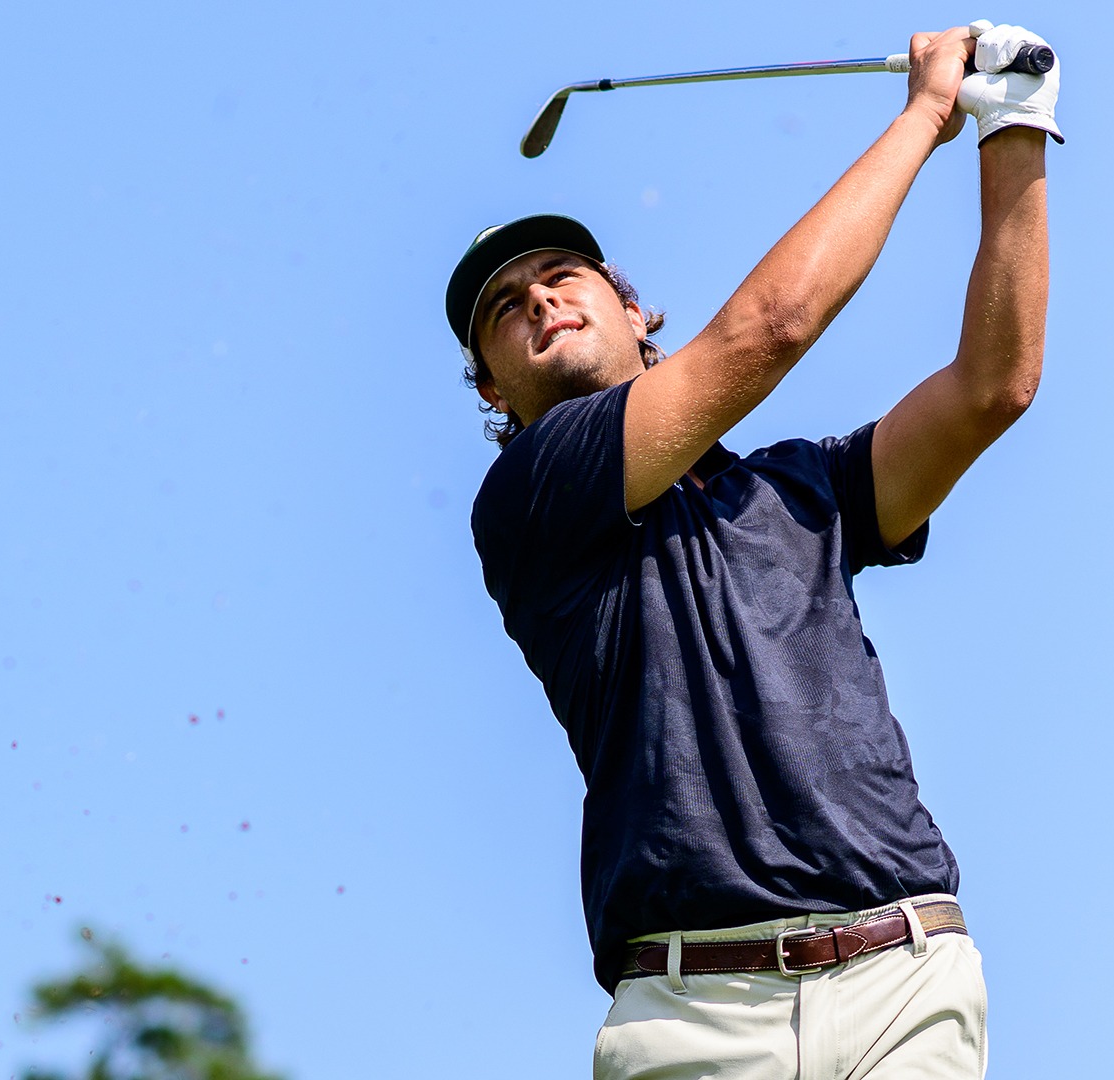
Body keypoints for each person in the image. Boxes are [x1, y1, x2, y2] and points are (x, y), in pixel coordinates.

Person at [446, 23, 1059, 1080]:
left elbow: (989, 388)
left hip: (902, 971)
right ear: (494, 393)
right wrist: (924, 115)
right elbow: (771, 327)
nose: (538, 298)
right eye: (504, 309)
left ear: (638, 314)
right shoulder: (530, 499)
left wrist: (1014, 128)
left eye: (562, 276)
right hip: (693, 1013)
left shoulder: (800, 485)